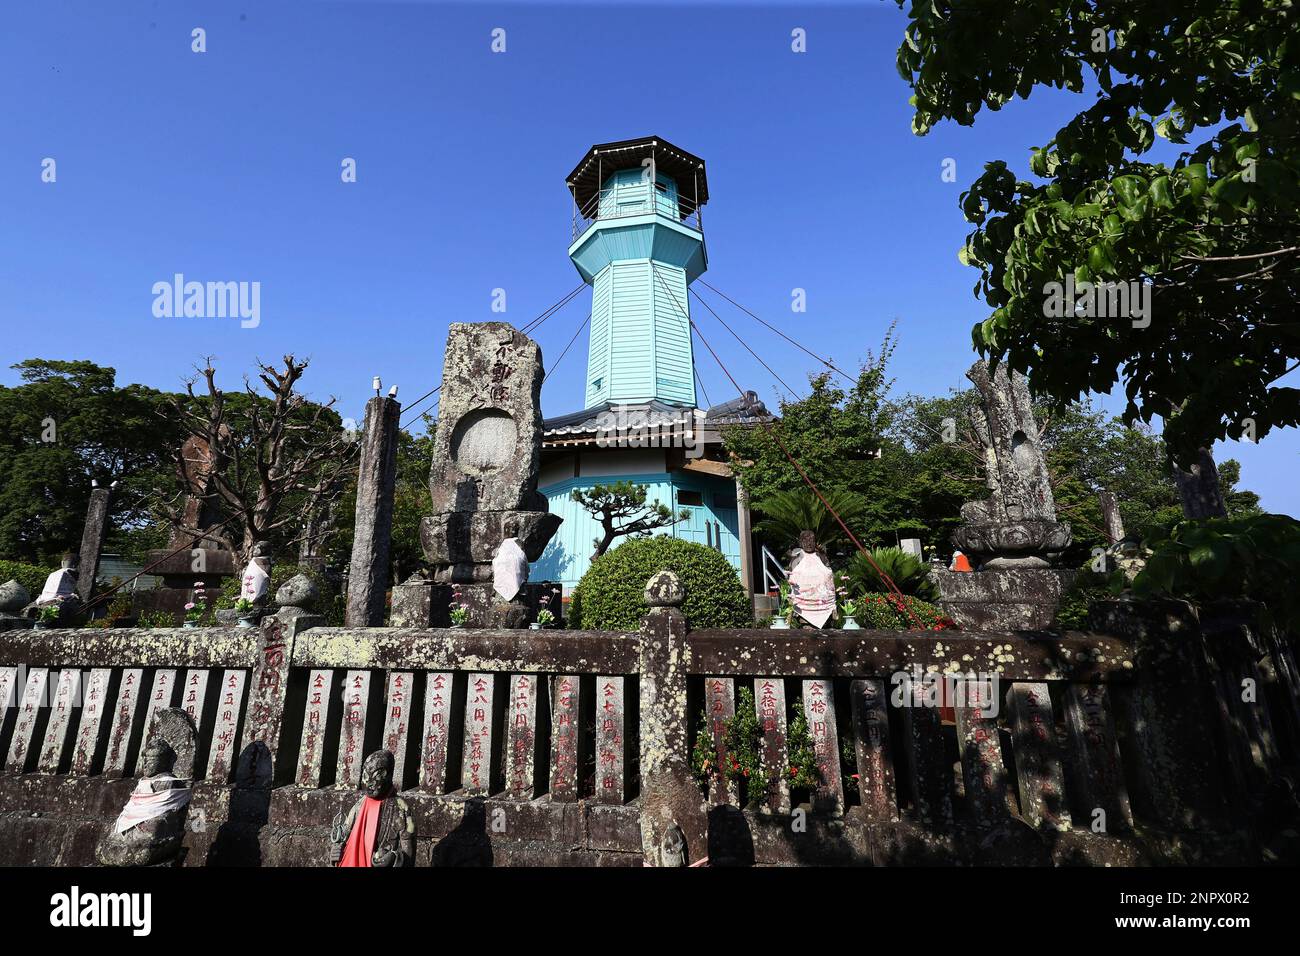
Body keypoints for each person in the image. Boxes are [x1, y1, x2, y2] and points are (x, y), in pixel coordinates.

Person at [329, 750, 415, 867]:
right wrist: (336, 851)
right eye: (366, 776)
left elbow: (409, 856)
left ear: (389, 775)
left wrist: (395, 858)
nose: (370, 783)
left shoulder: (401, 810)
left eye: (378, 775)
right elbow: (343, 839)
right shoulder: (359, 807)